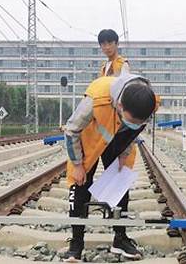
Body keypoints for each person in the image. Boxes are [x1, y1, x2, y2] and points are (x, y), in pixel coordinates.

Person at [62, 71, 159, 262]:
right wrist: (78, 164)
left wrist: (124, 154)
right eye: (130, 120)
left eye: (139, 122)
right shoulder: (97, 98)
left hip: (119, 141)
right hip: (90, 139)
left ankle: (120, 239)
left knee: (120, 184)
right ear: (120, 105)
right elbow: (71, 130)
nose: (135, 124)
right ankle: (76, 243)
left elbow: (134, 131)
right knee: (80, 184)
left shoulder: (149, 103)